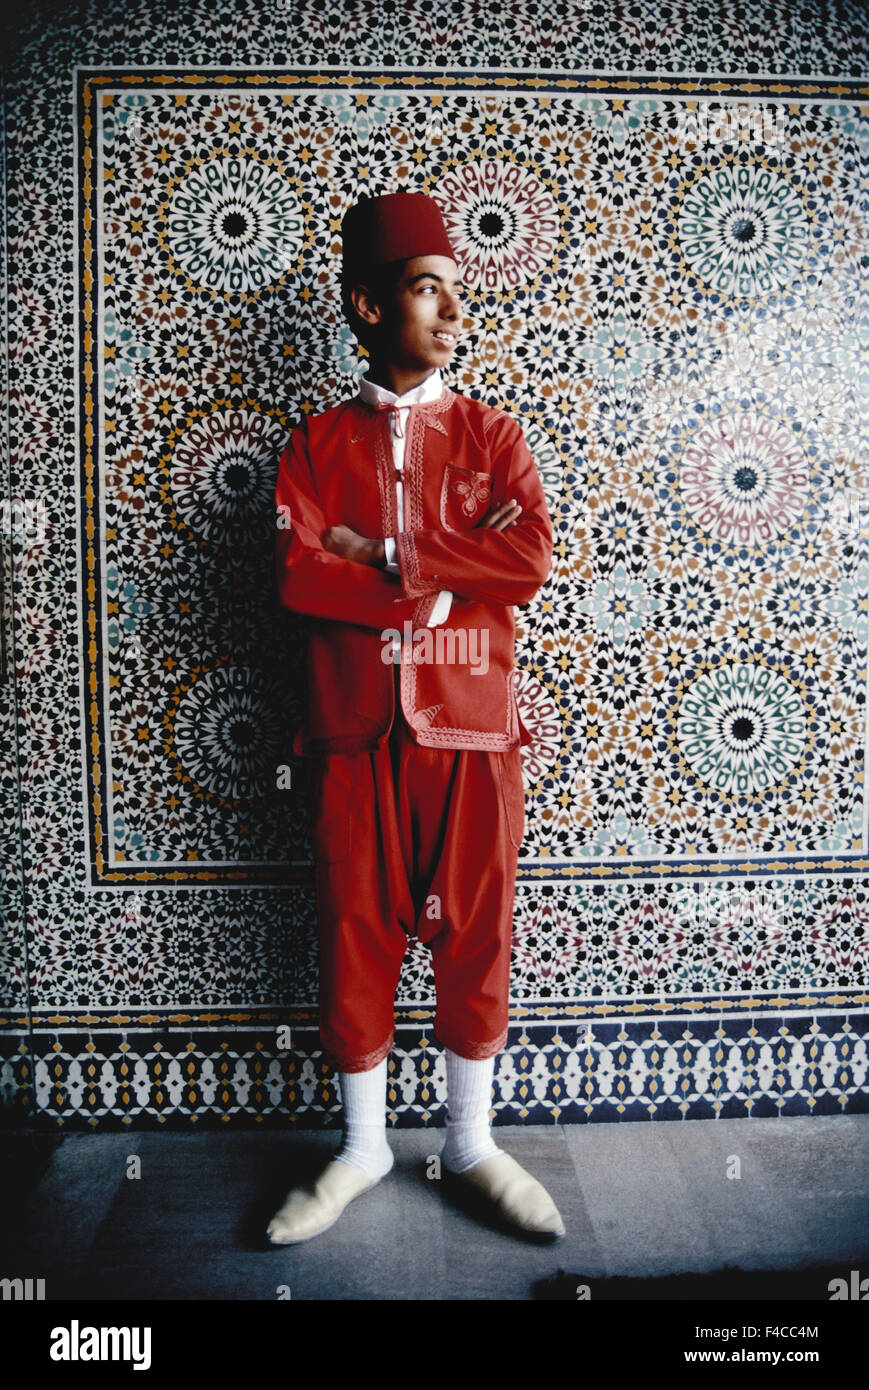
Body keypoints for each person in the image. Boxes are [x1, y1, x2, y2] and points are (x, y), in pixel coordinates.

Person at [267, 189, 563, 1244]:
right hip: (352, 733)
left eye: (453, 293)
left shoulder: (491, 434)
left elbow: (525, 557)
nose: (447, 313)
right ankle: (359, 1148)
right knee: (355, 932)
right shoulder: (314, 442)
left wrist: (397, 557)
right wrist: (434, 580)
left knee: (475, 936)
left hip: (474, 733)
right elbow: (298, 573)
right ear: (364, 305)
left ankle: (473, 1142)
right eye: (423, 290)